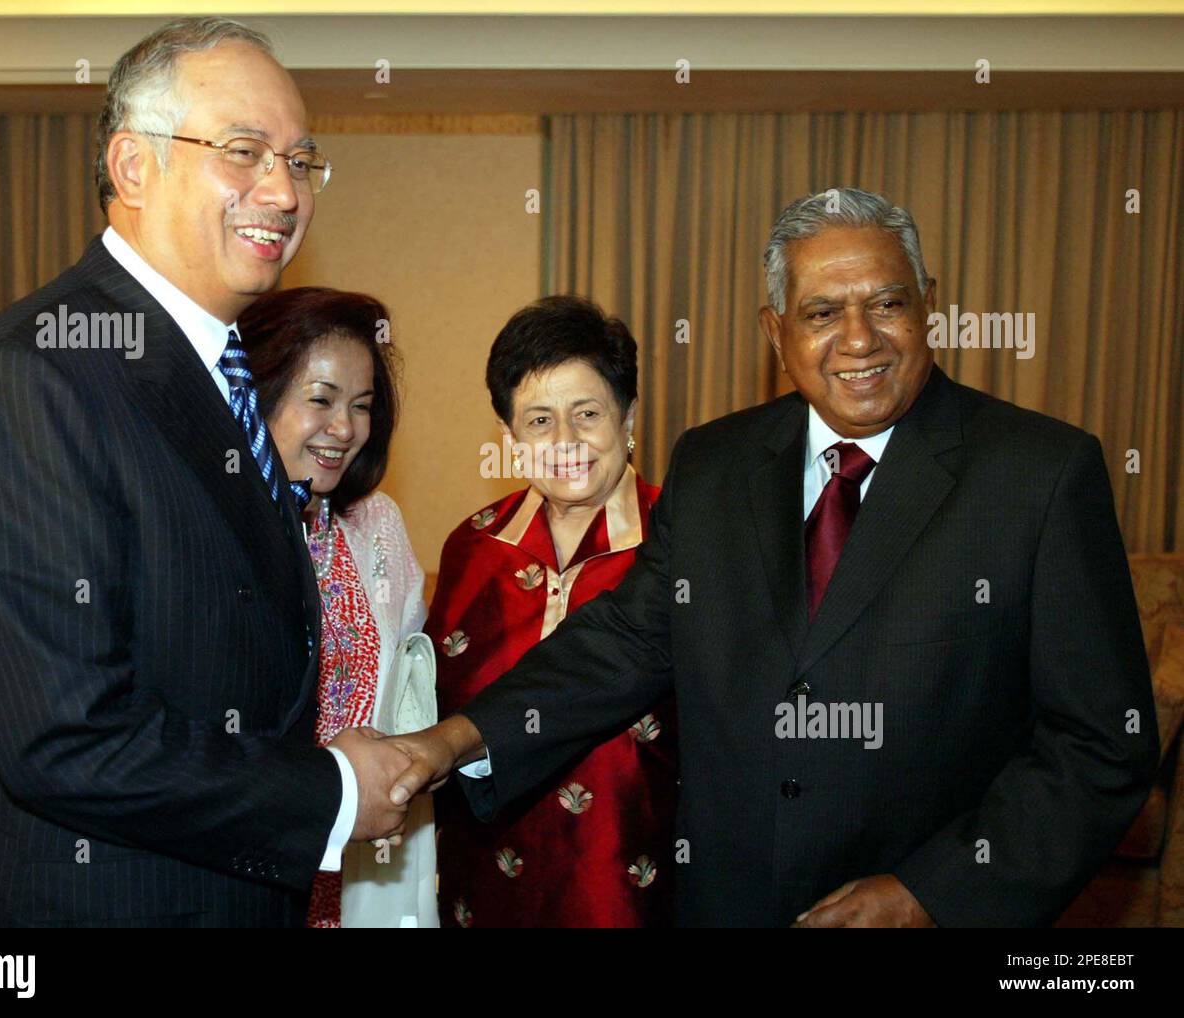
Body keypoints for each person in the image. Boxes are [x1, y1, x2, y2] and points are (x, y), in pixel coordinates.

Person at [382, 187, 1160, 928]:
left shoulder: (1040, 475)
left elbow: (1101, 743)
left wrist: (932, 894)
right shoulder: (717, 464)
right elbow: (625, 641)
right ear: (775, 330)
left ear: (929, 305)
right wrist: (453, 741)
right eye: (823, 312)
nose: (860, 339)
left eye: (888, 303)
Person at [0, 17, 410, 928]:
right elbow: (62, 737)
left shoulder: (221, 371)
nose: (283, 190)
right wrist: (325, 793)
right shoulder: (36, 374)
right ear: (132, 166)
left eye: (302, 161)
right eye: (245, 150)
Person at [425, 296, 676, 928]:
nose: (564, 442)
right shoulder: (474, 546)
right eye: (538, 421)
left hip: (637, 891)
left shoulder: (685, 538)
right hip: (483, 885)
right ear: (509, 437)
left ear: (630, 416)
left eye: (586, 414)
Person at [239, 286, 437, 928]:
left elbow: (406, 686)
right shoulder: (215, 527)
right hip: (245, 853)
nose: (345, 428)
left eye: (361, 406)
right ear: (255, 395)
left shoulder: (374, 525)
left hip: (357, 862)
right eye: (320, 400)